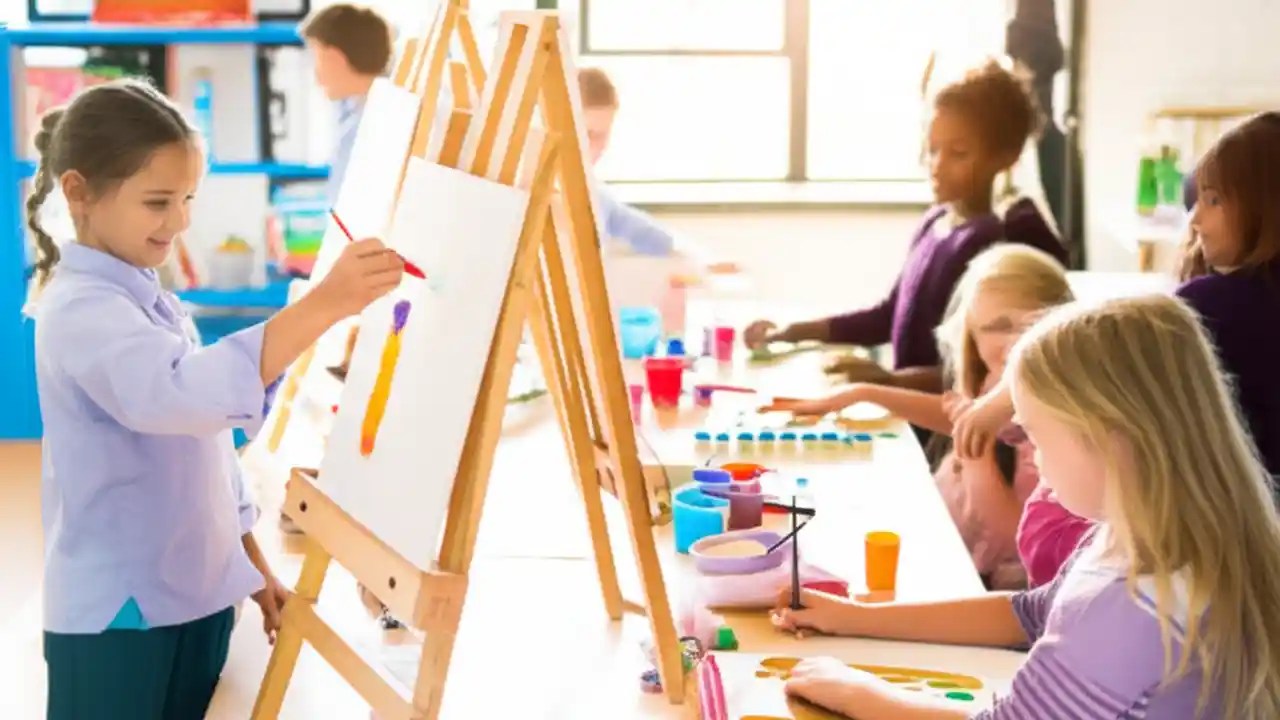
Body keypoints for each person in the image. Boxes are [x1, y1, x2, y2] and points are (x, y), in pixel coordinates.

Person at [27, 79, 403, 719]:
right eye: (158, 202)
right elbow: (179, 397)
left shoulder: (150, 299)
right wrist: (324, 305)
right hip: (121, 615)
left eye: (187, 199)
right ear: (78, 192)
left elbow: (211, 455)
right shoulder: (80, 309)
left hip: (196, 600)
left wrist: (252, 569)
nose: (180, 222)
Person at [772, 294, 1280, 719]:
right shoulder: (1148, 542)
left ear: (1109, 437)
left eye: (1036, 434)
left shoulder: (1132, 605)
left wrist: (855, 691)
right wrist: (855, 616)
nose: (1032, 455)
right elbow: (1030, 613)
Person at [953, 112, 1280, 482]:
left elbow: (1092, 344)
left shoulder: (1217, 302)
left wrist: (1000, 400)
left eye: (1214, 200)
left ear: (1266, 204)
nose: (1194, 220)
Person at [744, 58, 1065, 394]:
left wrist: (889, 381)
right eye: (933, 150)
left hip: (951, 422)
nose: (937, 165)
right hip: (908, 410)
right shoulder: (936, 221)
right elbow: (887, 316)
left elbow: (992, 373)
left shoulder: (1000, 244)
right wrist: (795, 331)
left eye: (958, 153)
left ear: (1006, 156)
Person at [767, 245, 1079, 587]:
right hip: (950, 547)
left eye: (1033, 324)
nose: (1018, 342)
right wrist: (864, 393)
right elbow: (960, 417)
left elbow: (1013, 539)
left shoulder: (1056, 411)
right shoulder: (996, 381)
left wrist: (975, 452)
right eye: (997, 327)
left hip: (995, 584)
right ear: (971, 338)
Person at [301, 3, 395, 205]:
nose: (316, 74)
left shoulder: (368, 128)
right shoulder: (364, 112)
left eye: (316, 57)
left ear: (334, 58)